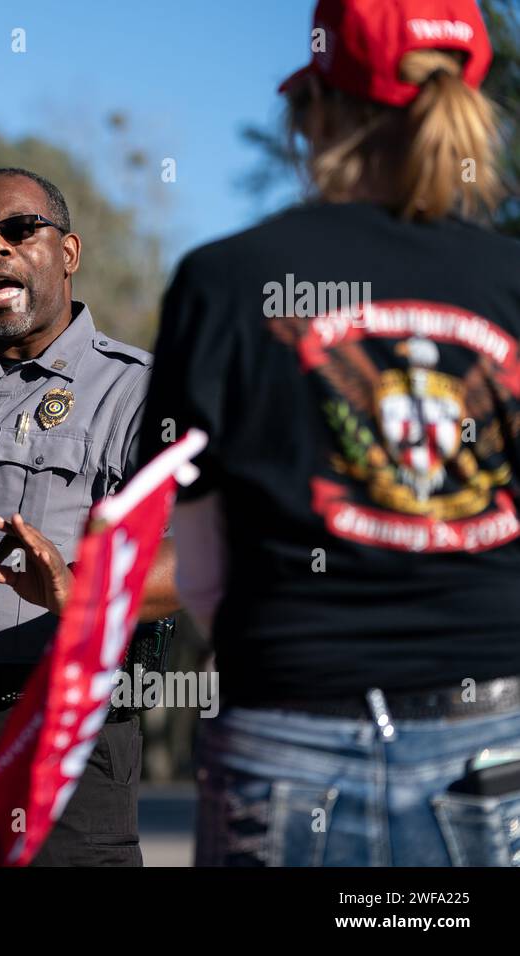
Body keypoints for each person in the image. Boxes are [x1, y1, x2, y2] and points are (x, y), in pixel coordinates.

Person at [138, 0, 520, 865]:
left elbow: (199, 574)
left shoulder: (225, 279)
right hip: (494, 750)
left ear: (316, 111)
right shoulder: (510, 282)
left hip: (288, 744)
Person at [0, 167, 181, 866]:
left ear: (70, 253)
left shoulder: (139, 390)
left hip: (53, 735)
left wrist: (76, 585)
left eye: (20, 230)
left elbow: (193, 555)